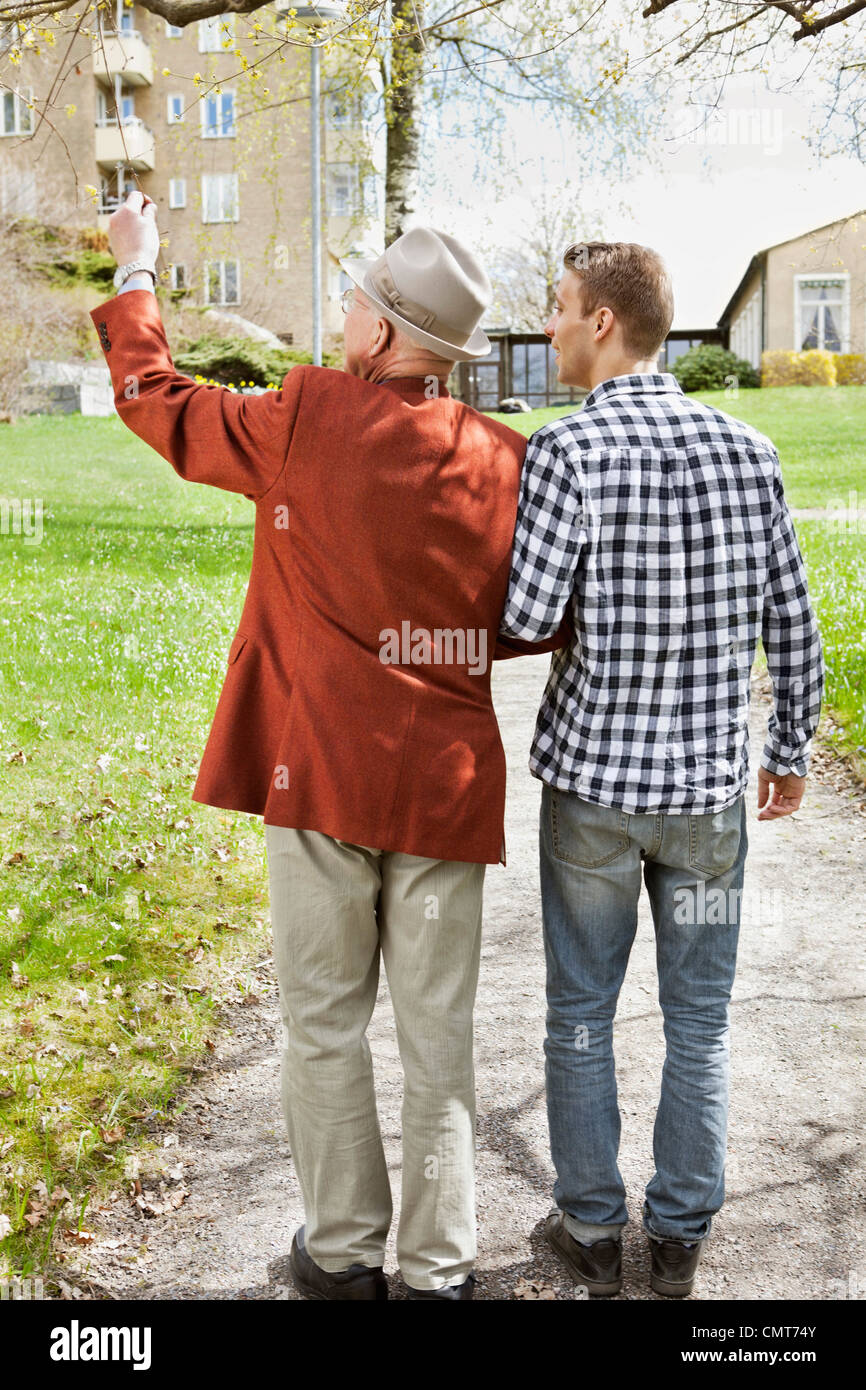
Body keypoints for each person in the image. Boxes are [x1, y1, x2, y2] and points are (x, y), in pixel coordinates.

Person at [90, 192, 564, 1301]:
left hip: (321, 774)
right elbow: (539, 615)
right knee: (439, 1039)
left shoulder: (302, 415)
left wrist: (137, 269)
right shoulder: (506, 457)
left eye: (356, 296)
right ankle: (437, 1273)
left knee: (321, 1025)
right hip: (443, 788)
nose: (343, 307)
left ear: (387, 332)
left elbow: (153, 402)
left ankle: (343, 1253)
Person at [499, 240, 824, 1298]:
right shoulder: (749, 451)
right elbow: (793, 622)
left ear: (602, 322)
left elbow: (527, 615)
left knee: (580, 1012)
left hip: (592, 796)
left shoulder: (566, 452)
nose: (547, 326)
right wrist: (786, 754)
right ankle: (678, 1228)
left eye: (555, 308)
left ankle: (592, 1228)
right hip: (703, 809)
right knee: (698, 1017)